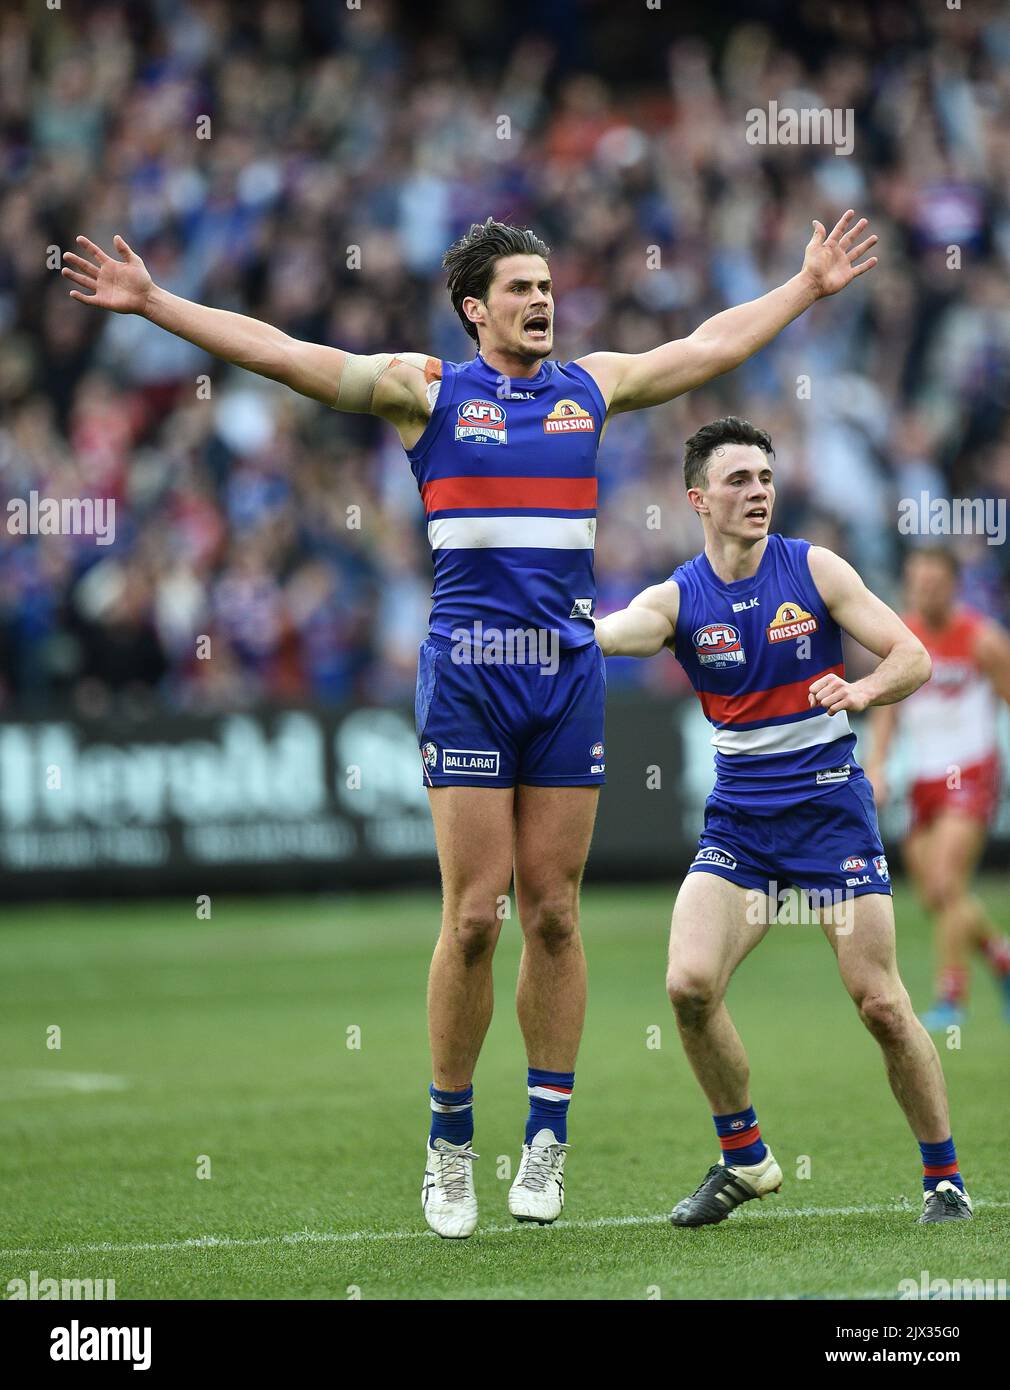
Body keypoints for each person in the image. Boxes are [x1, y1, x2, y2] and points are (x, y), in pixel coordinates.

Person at [62, 211, 879, 1238]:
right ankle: (450, 1142)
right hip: (468, 682)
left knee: (553, 913)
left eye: (546, 286)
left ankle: (545, 1135)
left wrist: (802, 286)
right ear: (473, 310)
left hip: (565, 678)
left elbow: (704, 346)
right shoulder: (428, 392)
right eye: (520, 289)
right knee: (473, 916)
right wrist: (156, 304)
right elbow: (283, 354)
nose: (542, 301)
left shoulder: (591, 389)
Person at [594, 417, 972, 1225]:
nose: (758, 492)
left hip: (831, 815)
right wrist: (578, 632)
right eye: (738, 481)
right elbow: (628, 631)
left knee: (878, 1002)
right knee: (689, 987)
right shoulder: (681, 595)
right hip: (740, 825)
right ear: (698, 499)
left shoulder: (814, 568)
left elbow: (912, 655)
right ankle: (746, 1160)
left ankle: (943, 1176)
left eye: (765, 478)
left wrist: (863, 692)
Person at [865, 547, 1010, 1030]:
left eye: (933, 582)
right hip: (922, 778)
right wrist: (878, 766)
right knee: (934, 896)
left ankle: (951, 998)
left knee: (948, 883)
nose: (924, 591)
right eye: (917, 582)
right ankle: (1000, 954)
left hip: (971, 772)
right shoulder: (902, 641)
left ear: (953, 584)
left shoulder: (983, 639)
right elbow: (887, 711)